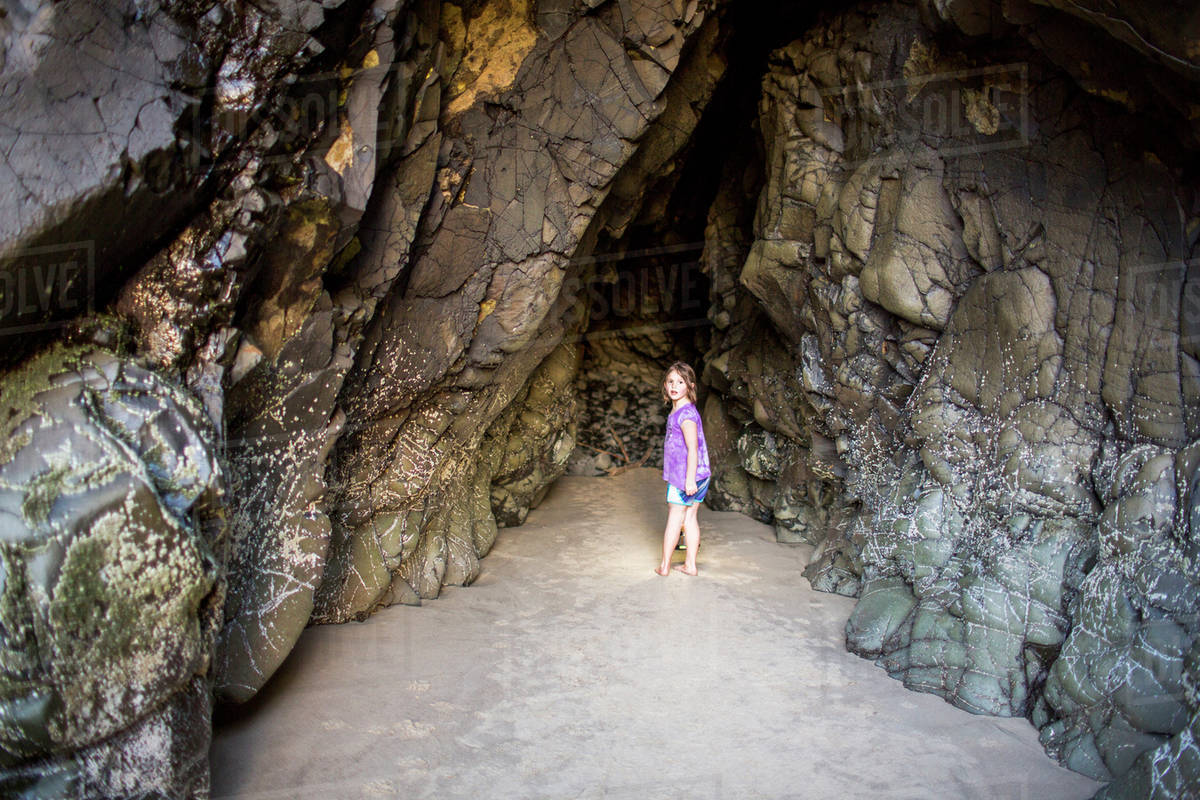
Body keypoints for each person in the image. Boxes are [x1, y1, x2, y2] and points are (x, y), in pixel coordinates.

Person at [654, 361, 710, 577]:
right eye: (670, 381)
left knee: (675, 519)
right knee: (689, 519)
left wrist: (688, 480)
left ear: (691, 386)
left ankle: (665, 566)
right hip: (701, 473)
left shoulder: (686, 416)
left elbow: (693, 450)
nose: (674, 386)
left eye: (680, 382)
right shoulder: (680, 410)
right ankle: (690, 565)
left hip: (686, 477)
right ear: (665, 385)